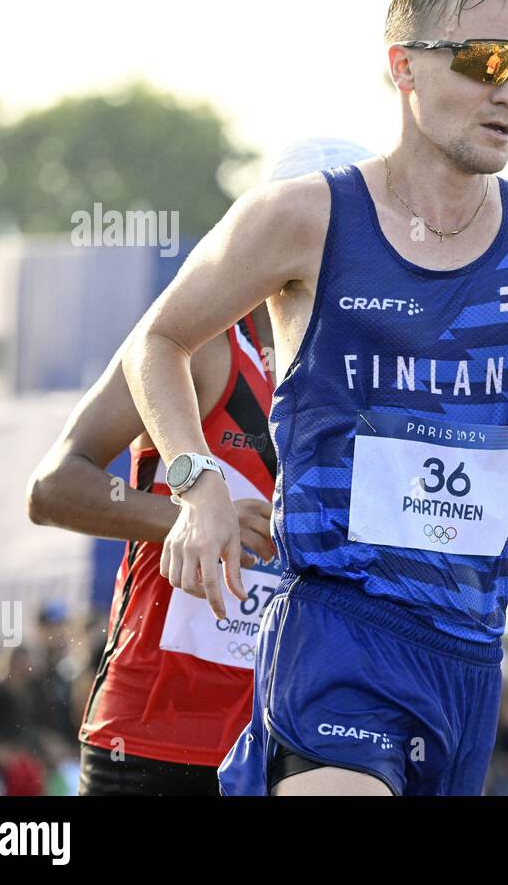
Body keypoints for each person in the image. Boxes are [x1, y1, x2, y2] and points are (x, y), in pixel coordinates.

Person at [121, 0, 508, 796]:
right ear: (403, 66)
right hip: (338, 628)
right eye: (484, 61)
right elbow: (160, 342)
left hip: (467, 655)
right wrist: (196, 483)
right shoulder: (303, 216)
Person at [27, 139, 373, 794]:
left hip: (290, 738)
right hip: (156, 735)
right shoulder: (197, 346)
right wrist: (181, 515)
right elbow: (52, 486)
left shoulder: (369, 382)